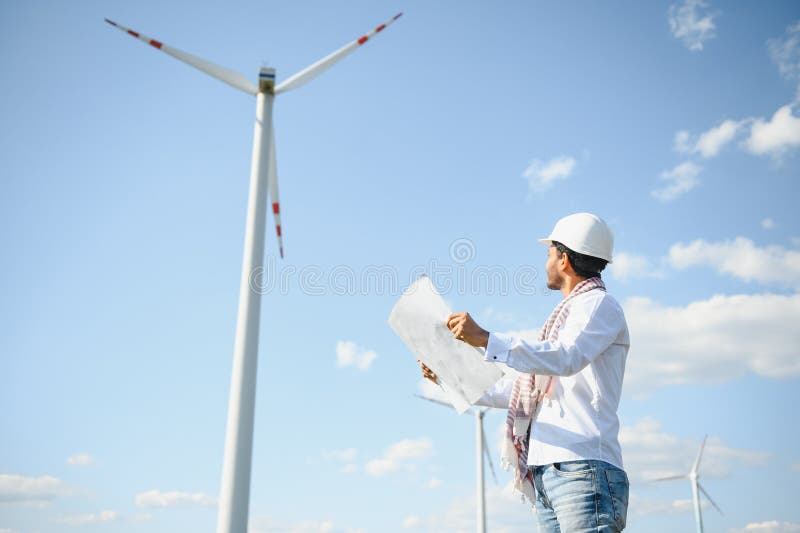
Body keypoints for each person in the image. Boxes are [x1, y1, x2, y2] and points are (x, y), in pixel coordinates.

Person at [420, 212, 630, 532]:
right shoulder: (564, 318)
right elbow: (516, 391)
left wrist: (486, 338)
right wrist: (446, 375)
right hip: (549, 473)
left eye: (549, 253)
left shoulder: (599, 305)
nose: (546, 262)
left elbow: (566, 357)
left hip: (583, 468)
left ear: (563, 259)